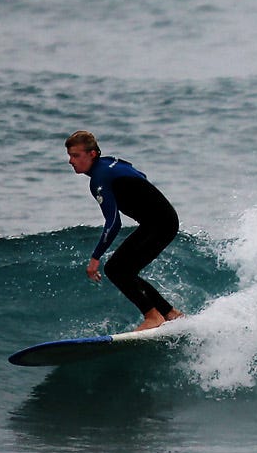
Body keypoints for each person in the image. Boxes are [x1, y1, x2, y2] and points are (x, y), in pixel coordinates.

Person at [65, 130, 185, 331]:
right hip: (162, 221)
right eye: (69, 156)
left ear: (92, 154)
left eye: (76, 156)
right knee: (124, 270)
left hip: (159, 224)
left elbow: (113, 223)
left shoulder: (99, 179)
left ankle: (153, 317)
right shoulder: (111, 164)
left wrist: (95, 258)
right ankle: (171, 314)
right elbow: (140, 175)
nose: (71, 161)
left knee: (115, 269)